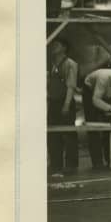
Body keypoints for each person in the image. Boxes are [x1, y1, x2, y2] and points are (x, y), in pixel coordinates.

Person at [47, 39, 79, 175]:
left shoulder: (70, 64)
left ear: (64, 48)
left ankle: (71, 165)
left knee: (68, 134)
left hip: (65, 101)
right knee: (53, 133)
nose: (54, 47)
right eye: (53, 44)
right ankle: (55, 164)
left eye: (57, 45)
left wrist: (66, 105)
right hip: (54, 102)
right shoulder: (52, 64)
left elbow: (71, 86)